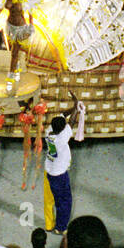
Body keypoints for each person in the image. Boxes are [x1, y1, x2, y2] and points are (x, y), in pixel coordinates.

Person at [43, 93, 80, 236]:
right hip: (59, 175)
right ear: (63, 129)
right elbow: (72, 122)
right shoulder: (61, 138)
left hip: (49, 172)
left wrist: (72, 107)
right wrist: (76, 105)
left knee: (50, 199)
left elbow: (63, 117)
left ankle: (49, 223)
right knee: (64, 201)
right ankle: (61, 227)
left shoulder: (49, 132)